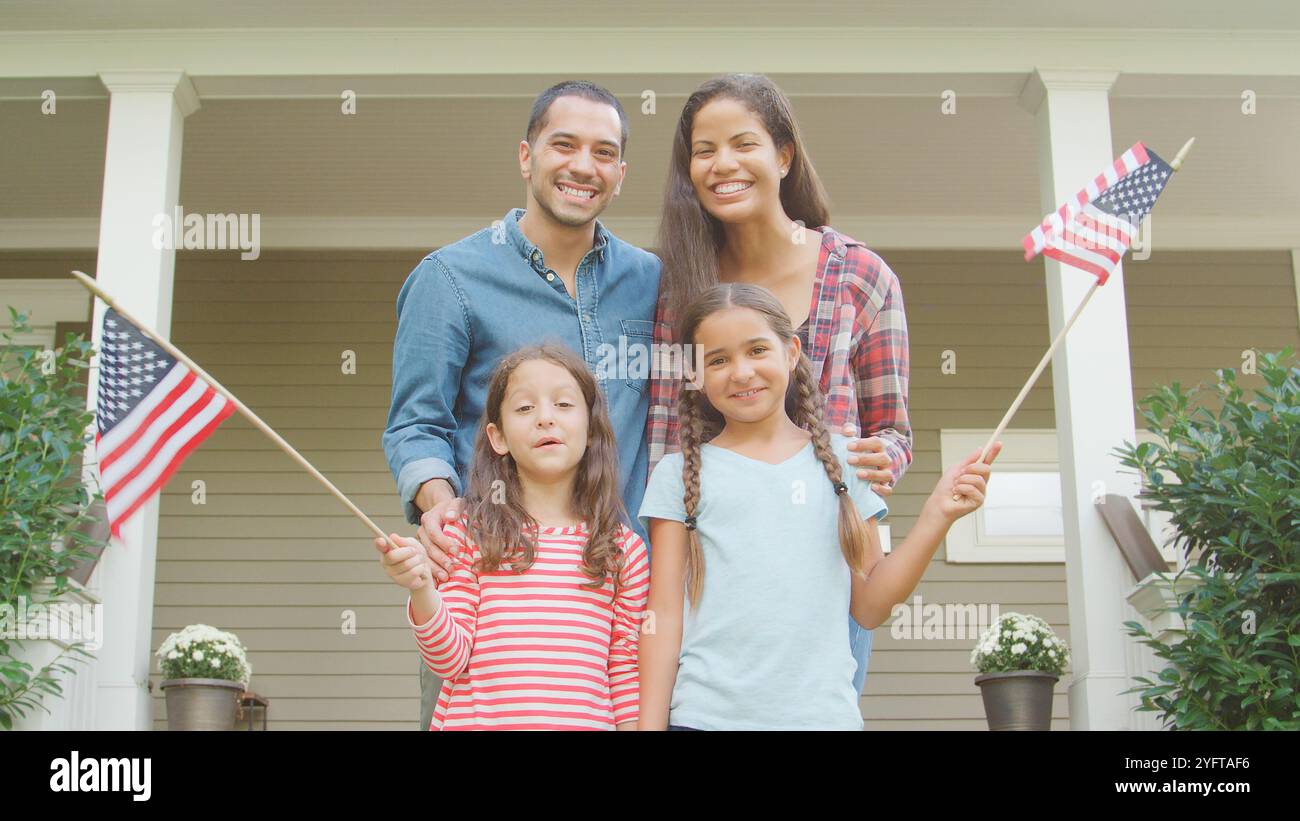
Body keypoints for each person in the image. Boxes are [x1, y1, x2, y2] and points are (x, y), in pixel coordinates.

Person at [381, 81, 660, 730]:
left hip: (611, 597)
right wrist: (442, 508)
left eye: (603, 151)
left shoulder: (653, 284)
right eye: (564, 144)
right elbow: (416, 422)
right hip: (491, 587)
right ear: (526, 155)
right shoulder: (450, 277)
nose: (583, 165)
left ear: (620, 173)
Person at [648, 73, 914, 694]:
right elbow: (665, 433)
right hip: (705, 574)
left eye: (743, 144)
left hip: (824, 571)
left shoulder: (860, 277)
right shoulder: (674, 287)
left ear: (784, 155)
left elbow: (893, 433)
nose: (723, 165)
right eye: (704, 150)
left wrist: (884, 459)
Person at [636, 284, 999, 730]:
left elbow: (869, 606)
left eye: (757, 350)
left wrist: (936, 515)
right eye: (718, 360)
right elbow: (663, 615)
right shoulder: (676, 475)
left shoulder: (846, 462)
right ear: (695, 373)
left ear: (791, 352)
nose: (742, 372)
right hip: (704, 719)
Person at [376, 343, 649, 730]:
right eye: (525, 408)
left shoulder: (624, 549)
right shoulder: (469, 533)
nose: (545, 419)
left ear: (591, 429)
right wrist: (422, 588)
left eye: (564, 405)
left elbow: (623, 672)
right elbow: (448, 660)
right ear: (498, 437)